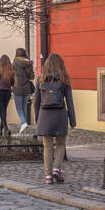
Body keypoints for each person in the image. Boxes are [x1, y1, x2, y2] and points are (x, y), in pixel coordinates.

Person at [34, 53, 76, 185]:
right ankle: (57, 169)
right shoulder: (64, 78)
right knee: (60, 144)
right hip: (60, 115)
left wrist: (37, 119)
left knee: (47, 146)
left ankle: (48, 176)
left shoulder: (41, 79)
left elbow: (36, 102)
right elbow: (70, 101)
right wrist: (73, 121)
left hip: (44, 115)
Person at [12, 48, 35, 135]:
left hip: (17, 88)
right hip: (27, 89)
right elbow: (32, 77)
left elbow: (11, 74)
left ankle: (23, 123)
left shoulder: (15, 62)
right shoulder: (29, 63)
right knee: (24, 107)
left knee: (19, 108)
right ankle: (23, 127)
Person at [0, 55, 14, 133]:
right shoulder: (11, 70)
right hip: (7, 92)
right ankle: (1, 128)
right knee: (4, 109)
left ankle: (5, 127)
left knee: (2, 110)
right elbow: (12, 83)